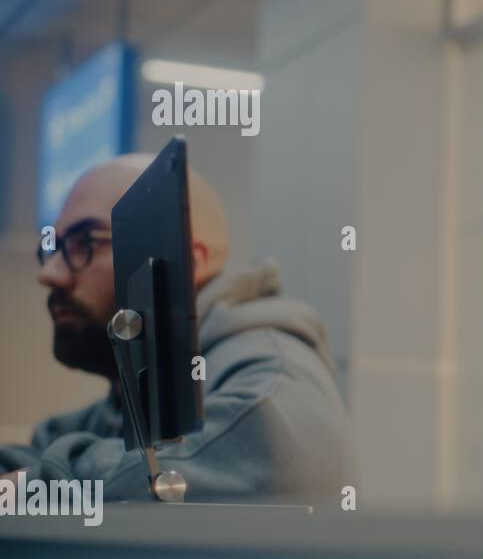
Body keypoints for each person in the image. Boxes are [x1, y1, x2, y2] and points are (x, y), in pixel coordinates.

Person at [0, 154, 352, 502]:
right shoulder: (116, 406)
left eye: (84, 243)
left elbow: (274, 458)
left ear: (185, 261)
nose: (49, 274)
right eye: (55, 248)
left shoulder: (273, 378)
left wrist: (38, 484)